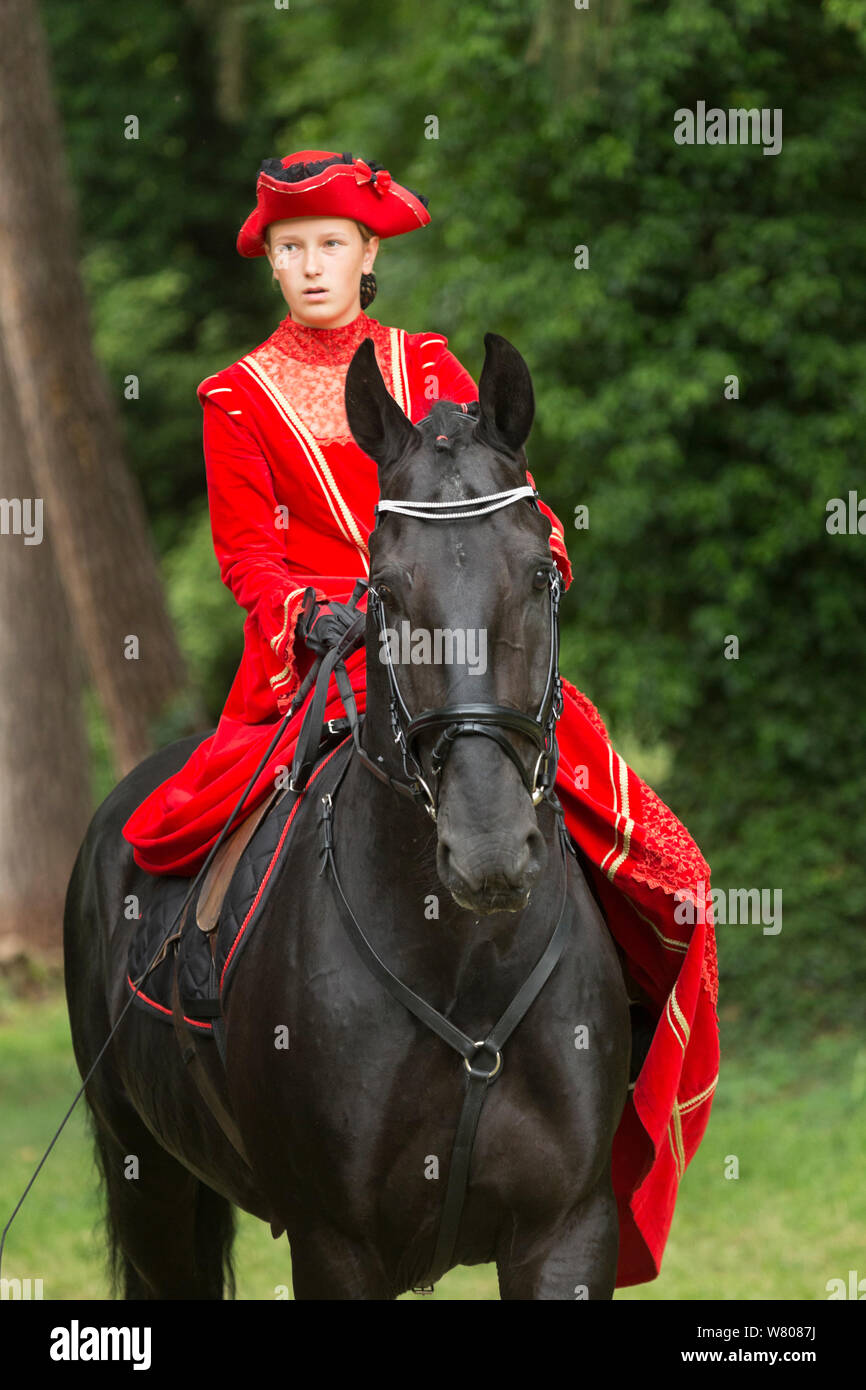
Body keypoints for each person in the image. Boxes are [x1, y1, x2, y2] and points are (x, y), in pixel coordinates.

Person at [122, 150, 719, 1287]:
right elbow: (247, 556)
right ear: (273, 264)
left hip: (464, 651)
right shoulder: (231, 396)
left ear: (368, 255)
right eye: (291, 249)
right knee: (186, 832)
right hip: (325, 662)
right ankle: (194, 999)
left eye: (330, 246)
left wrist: (526, 558)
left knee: (661, 864)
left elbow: (493, 488)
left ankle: (626, 1045)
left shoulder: (422, 363)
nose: (311, 265)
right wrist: (310, 615)